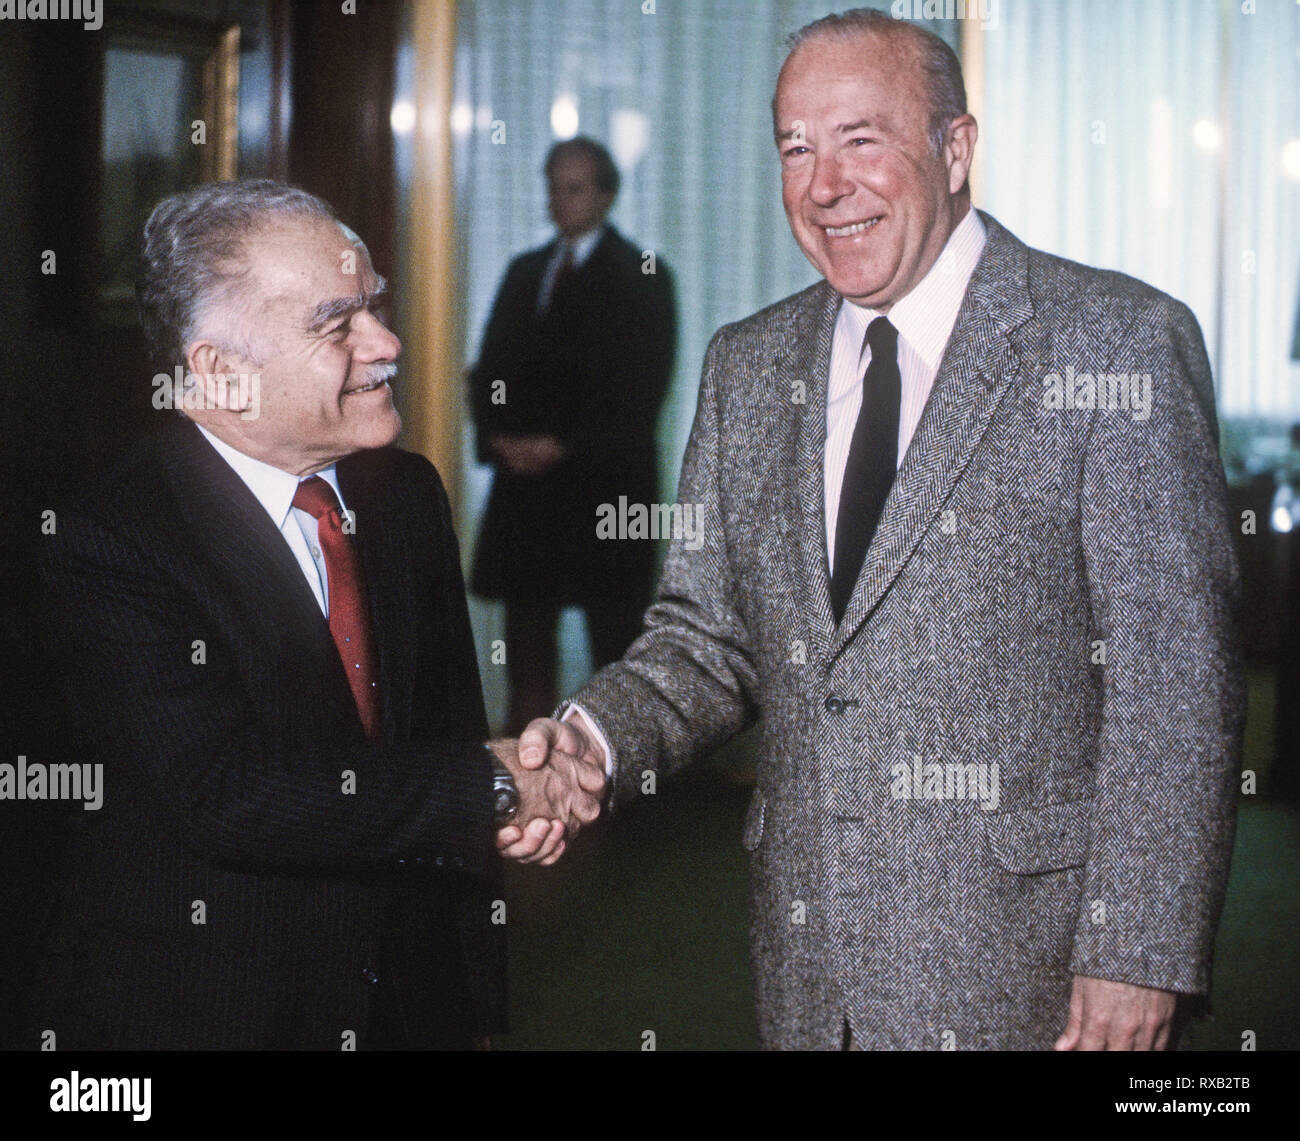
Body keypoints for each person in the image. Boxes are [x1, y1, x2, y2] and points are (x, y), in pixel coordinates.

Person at [498, 9, 1245, 1050]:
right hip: (811, 971)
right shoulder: (748, 367)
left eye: (860, 139)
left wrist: (1137, 950)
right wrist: (588, 742)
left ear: (956, 148)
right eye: (796, 148)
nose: (824, 184)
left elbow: (1173, 679)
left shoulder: (1115, 344)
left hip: (1035, 976)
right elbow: (706, 640)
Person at [26, 179, 601, 1050]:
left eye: (374, 306)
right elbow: (227, 791)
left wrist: (475, 1011)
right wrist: (488, 786)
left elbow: (446, 733)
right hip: (214, 1011)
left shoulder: (405, 495)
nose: (387, 343)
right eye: (339, 326)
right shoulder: (115, 538)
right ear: (222, 372)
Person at [469, 137, 677, 733]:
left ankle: (615, 781)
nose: (559, 200)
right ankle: (526, 773)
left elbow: (642, 387)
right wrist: (500, 439)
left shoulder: (643, 274)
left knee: (615, 657)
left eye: (575, 188)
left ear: (607, 195)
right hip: (526, 496)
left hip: (602, 496)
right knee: (526, 658)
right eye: (553, 187)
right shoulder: (526, 271)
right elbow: (489, 370)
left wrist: (563, 444)